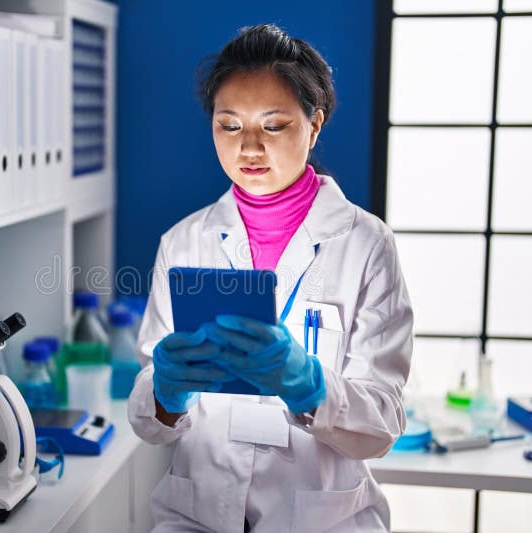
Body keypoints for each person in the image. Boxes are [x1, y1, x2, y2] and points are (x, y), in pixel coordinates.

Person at [128, 24, 413, 533]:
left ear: (315, 124)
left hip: (322, 520)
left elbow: (382, 425)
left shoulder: (367, 244)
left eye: (274, 125)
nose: (250, 147)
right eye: (229, 126)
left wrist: (307, 385)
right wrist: (165, 394)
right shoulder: (183, 242)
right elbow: (151, 424)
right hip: (197, 518)